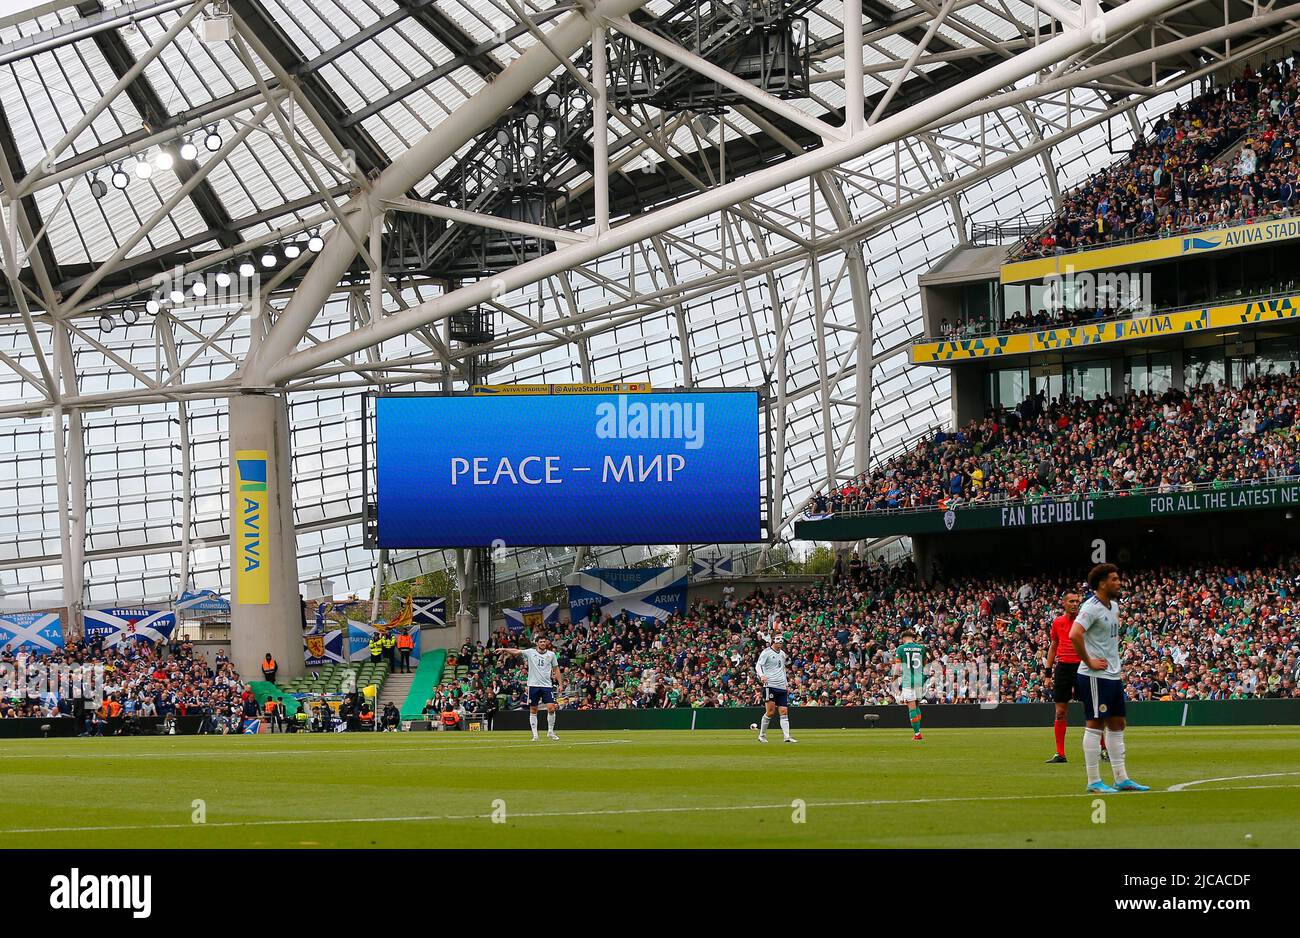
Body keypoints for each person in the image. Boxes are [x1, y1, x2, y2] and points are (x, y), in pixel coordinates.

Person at [1069, 564, 1149, 793]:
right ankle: (1093, 780)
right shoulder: (1090, 607)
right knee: (1095, 725)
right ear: (1102, 583)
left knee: (1118, 724)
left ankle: (1121, 778)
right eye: (1114, 579)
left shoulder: (1113, 606)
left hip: (1112, 675)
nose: (1119, 582)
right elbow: (1075, 634)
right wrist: (1088, 661)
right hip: (1095, 676)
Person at [497, 637, 562, 741]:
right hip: (533, 685)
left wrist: (560, 684)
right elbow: (516, 651)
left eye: (544, 641)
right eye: (540, 642)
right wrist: (505, 649)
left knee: (551, 708)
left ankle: (550, 732)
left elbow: (556, 669)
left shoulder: (551, 654)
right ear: (537, 643)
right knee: (533, 709)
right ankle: (535, 735)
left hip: (547, 686)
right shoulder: (530, 652)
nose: (543, 643)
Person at [755, 635, 796, 743]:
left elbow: (782, 669)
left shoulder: (782, 654)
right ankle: (762, 735)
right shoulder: (766, 652)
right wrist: (762, 675)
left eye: (782, 642)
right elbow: (758, 666)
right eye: (779, 641)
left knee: (784, 711)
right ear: (774, 641)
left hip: (781, 686)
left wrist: (786, 684)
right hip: (770, 685)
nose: (780, 643)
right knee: (770, 712)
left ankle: (787, 737)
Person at [895, 629, 925, 740]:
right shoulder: (921, 648)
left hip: (908, 680)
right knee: (917, 705)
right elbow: (924, 665)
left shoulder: (901, 648)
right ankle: (918, 731)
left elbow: (897, 667)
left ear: (903, 638)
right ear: (913, 638)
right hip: (919, 680)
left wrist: (895, 682)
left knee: (911, 707)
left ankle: (917, 734)